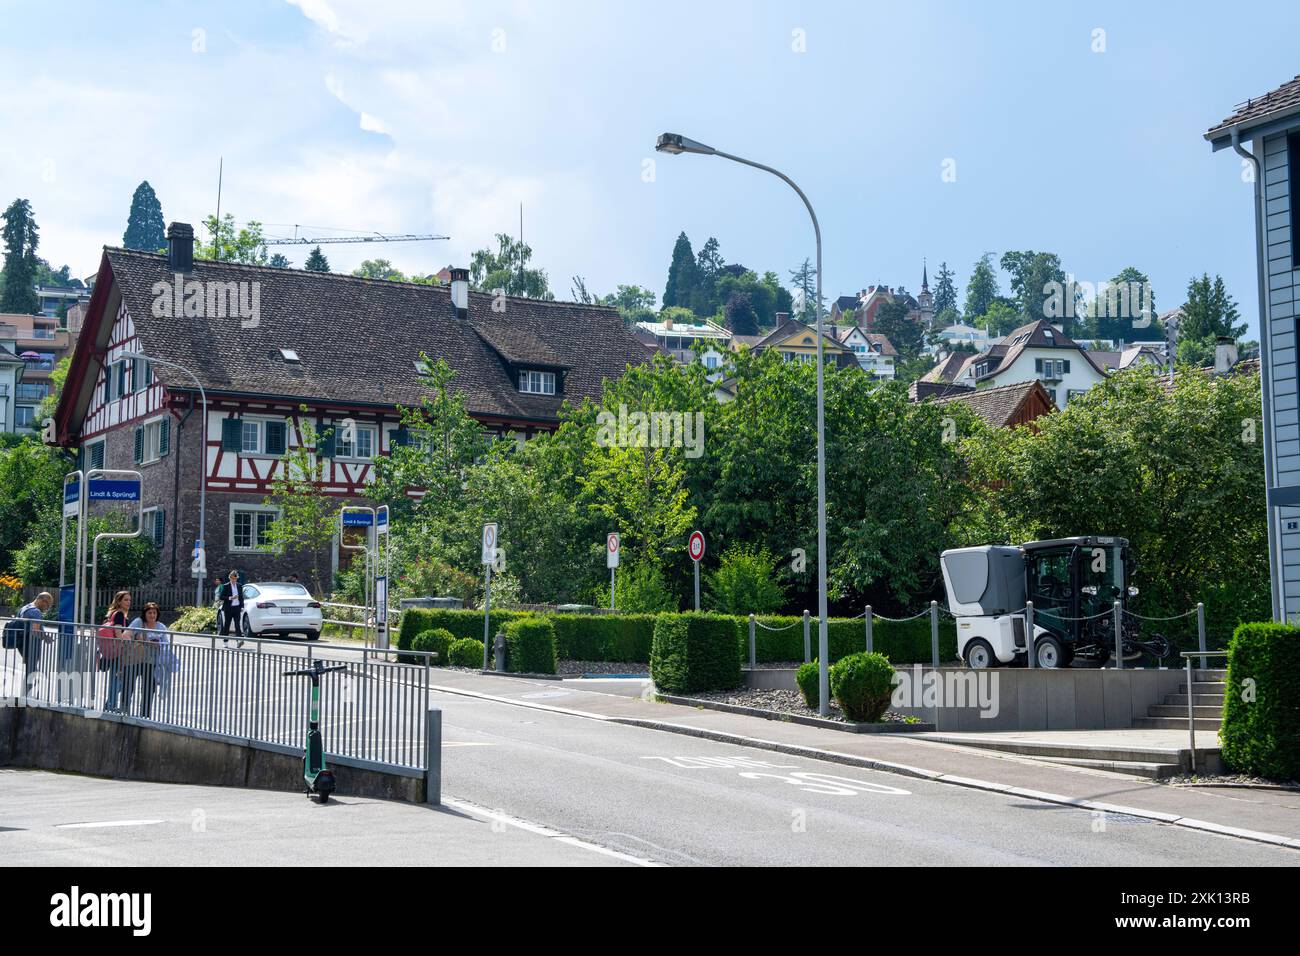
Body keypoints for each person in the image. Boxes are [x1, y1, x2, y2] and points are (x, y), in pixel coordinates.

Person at [126, 602, 169, 720]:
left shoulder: (161, 627)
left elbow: (166, 644)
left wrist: (158, 645)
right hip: (135, 660)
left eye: (154, 613)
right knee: (128, 686)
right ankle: (124, 712)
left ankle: (145, 715)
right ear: (144, 614)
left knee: (149, 689)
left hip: (152, 662)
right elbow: (126, 635)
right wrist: (138, 639)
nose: (152, 615)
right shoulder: (138, 622)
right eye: (149, 613)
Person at [15, 592, 53, 697]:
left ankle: (26, 693)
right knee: (31, 670)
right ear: (42, 600)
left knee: (31, 669)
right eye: (48, 605)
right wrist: (46, 638)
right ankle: (27, 695)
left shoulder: (25, 608)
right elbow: (35, 630)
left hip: (23, 643)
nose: (47, 608)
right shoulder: (35, 612)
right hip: (31, 644)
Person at [100, 591, 133, 713]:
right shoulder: (119, 615)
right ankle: (110, 705)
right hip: (119, 652)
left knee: (115, 679)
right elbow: (118, 633)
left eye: (129, 600)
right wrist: (127, 645)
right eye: (125, 600)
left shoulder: (111, 614)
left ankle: (110, 704)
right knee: (119, 680)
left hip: (111, 652)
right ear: (119, 601)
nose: (128, 602)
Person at [217, 570, 245, 648]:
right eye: (232, 578)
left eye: (235, 578)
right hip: (228, 608)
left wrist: (242, 606)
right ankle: (225, 642)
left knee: (237, 625)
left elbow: (241, 597)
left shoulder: (239, 586)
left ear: (236, 578)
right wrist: (230, 598)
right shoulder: (226, 586)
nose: (233, 580)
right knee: (227, 625)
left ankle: (239, 641)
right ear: (230, 578)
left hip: (237, 608)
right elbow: (221, 597)